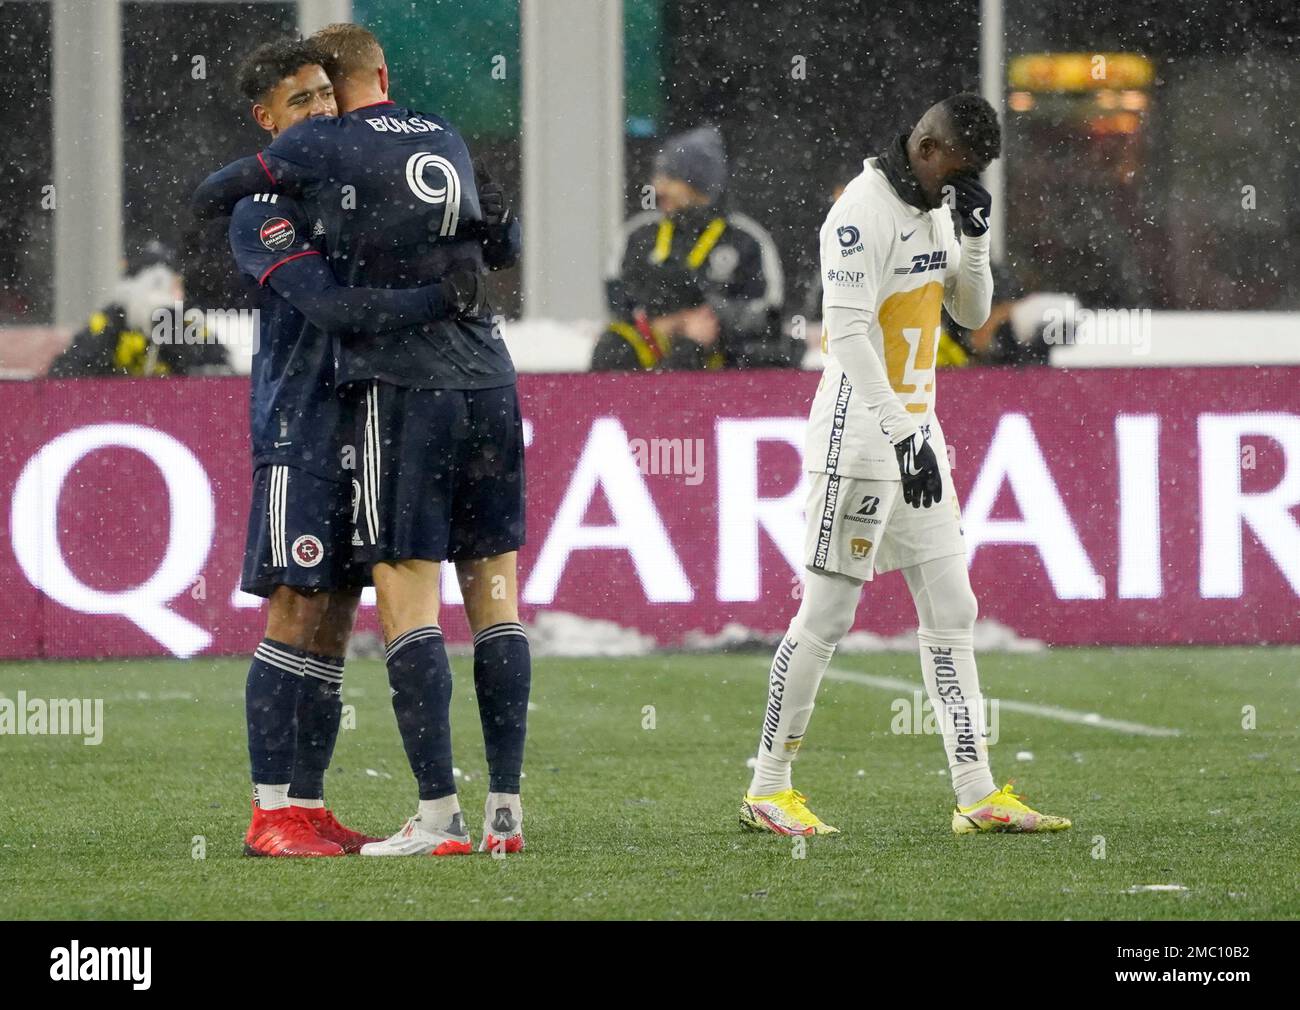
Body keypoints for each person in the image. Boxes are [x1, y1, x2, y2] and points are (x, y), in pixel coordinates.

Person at [194, 22, 528, 857]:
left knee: (341, 613)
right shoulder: (264, 207)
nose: (318, 109)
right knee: (295, 606)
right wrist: (445, 299)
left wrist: (482, 225)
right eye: (298, 100)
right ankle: (270, 812)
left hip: (375, 418)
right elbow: (340, 311)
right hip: (301, 424)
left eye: (324, 93)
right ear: (267, 120)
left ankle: (308, 802)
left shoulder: (357, 183)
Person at [739, 93, 1071, 837]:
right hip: (860, 437)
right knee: (827, 614)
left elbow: (968, 313)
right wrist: (898, 431)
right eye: (959, 168)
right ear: (925, 147)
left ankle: (976, 793)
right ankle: (768, 786)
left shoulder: (934, 208)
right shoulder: (860, 213)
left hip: (915, 434)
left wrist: (975, 241)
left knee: (953, 609)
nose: (962, 183)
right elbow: (848, 335)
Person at [606, 125, 792, 368]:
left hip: (724, 368)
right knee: (611, 348)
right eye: (658, 178)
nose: (657, 188)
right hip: (647, 364)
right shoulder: (637, 235)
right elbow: (617, 297)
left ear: (697, 185)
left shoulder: (745, 238)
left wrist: (711, 316)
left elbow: (769, 311)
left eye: (670, 179)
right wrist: (673, 322)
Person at [46, 241, 228, 377]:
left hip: (177, 411)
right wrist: (111, 337)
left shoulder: (188, 321)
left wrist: (171, 332)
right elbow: (67, 370)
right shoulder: (109, 319)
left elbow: (219, 370)